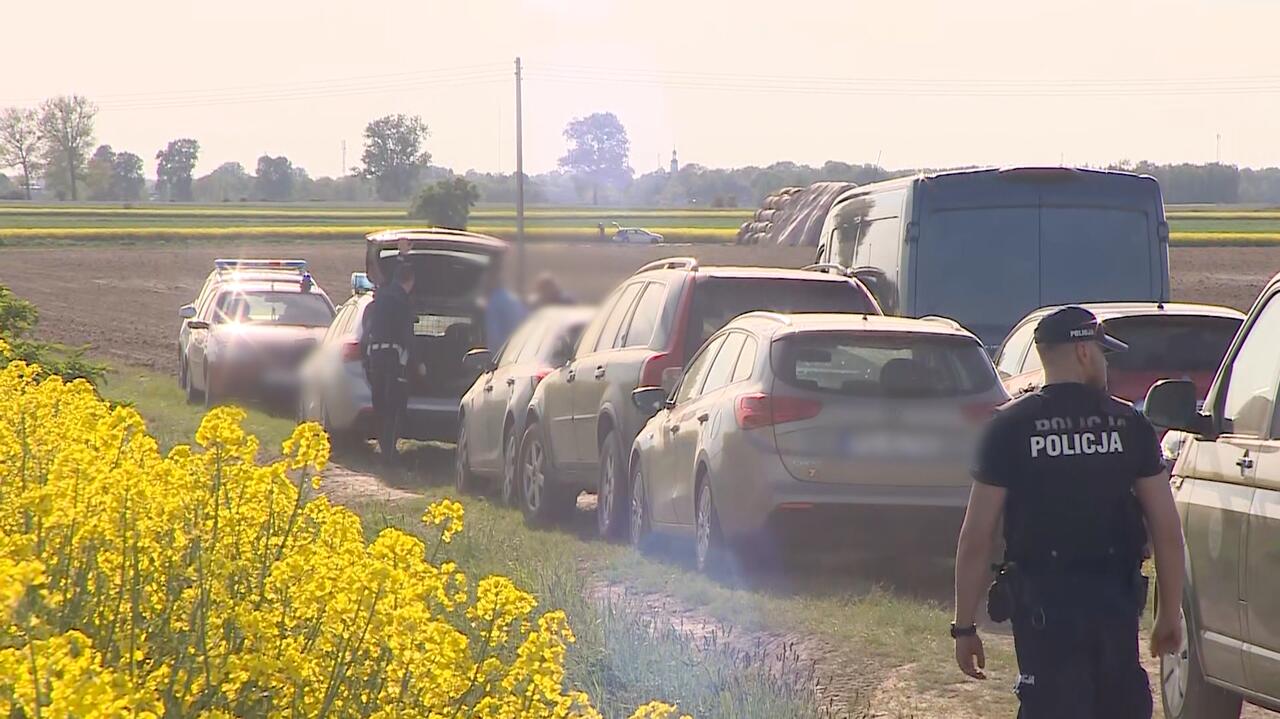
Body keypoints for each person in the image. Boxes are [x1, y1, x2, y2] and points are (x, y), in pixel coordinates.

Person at [952, 305, 1185, 718]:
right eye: (1102, 353)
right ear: (1083, 353)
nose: (1105, 365)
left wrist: (965, 626)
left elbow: (976, 536)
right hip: (1114, 604)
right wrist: (1169, 613)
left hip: (1044, 609)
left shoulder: (1009, 427)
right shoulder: (1128, 424)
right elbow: (1166, 528)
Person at [362, 263, 416, 463]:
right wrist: (415, 360)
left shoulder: (381, 298)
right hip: (392, 357)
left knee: (380, 404)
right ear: (410, 281)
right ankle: (389, 453)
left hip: (375, 356)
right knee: (393, 405)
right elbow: (406, 333)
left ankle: (384, 449)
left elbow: (367, 328)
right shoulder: (402, 301)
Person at [484, 262, 527, 351]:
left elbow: (494, 335)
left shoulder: (495, 302)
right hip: (518, 352)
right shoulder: (514, 300)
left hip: (501, 354)